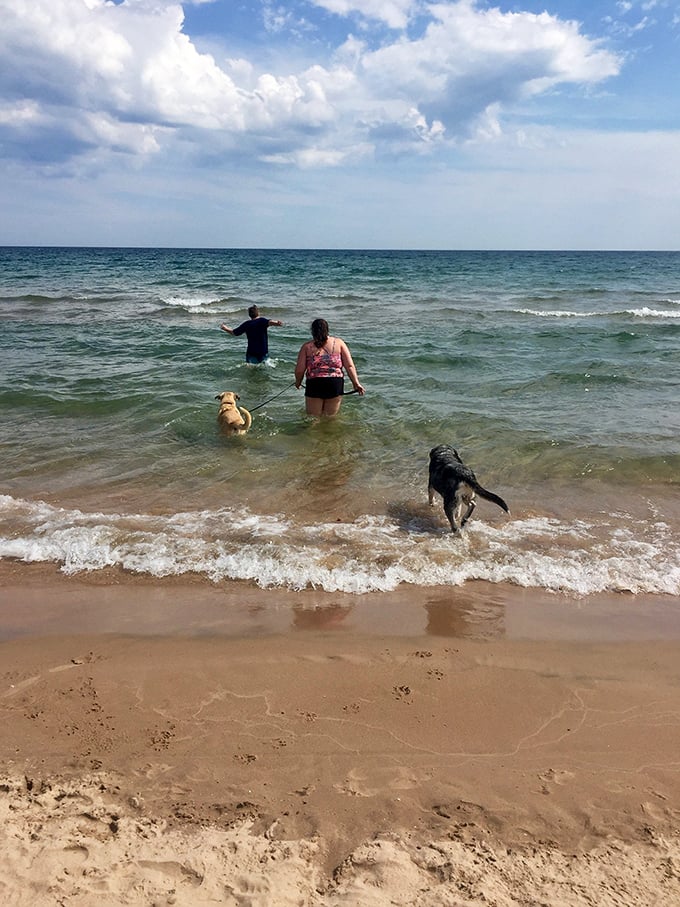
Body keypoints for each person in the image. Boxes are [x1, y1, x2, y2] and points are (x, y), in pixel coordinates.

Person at [295, 318, 365, 416]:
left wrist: (298, 382)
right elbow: (349, 366)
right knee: (330, 418)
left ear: (312, 331)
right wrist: (356, 383)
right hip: (335, 383)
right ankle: (329, 432)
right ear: (327, 330)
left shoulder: (306, 347)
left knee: (313, 419)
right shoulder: (339, 343)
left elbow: (299, 370)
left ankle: (312, 431)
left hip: (314, 383)